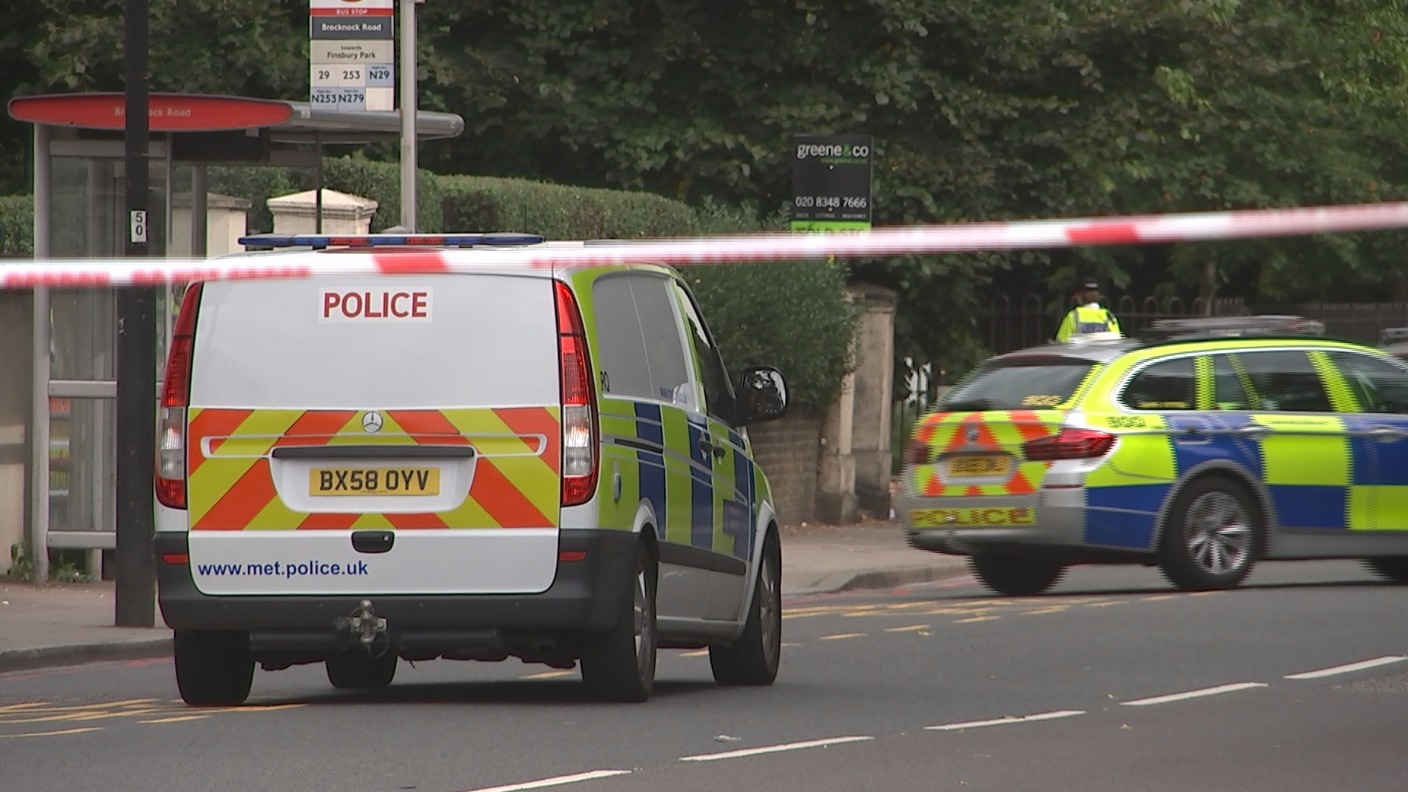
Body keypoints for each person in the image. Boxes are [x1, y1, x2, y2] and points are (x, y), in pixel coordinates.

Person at [1054, 275, 1122, 342]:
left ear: (1078, 296)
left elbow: (1061, 343)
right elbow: (1116, 342)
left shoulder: (1073, 317)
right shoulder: (1109, 316)